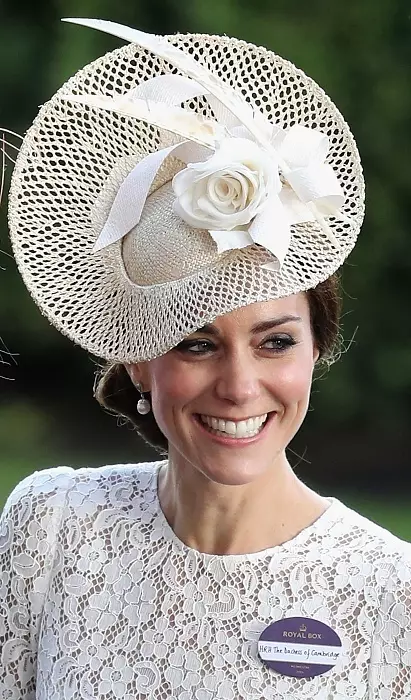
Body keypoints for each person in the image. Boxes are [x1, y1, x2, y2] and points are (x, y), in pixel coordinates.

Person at [1, 18, 410, 700]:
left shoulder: (389, 591)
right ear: (134, 359)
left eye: (274, 341)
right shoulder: (52, 526)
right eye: (196, 343)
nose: (240, 385)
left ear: (316, 348)